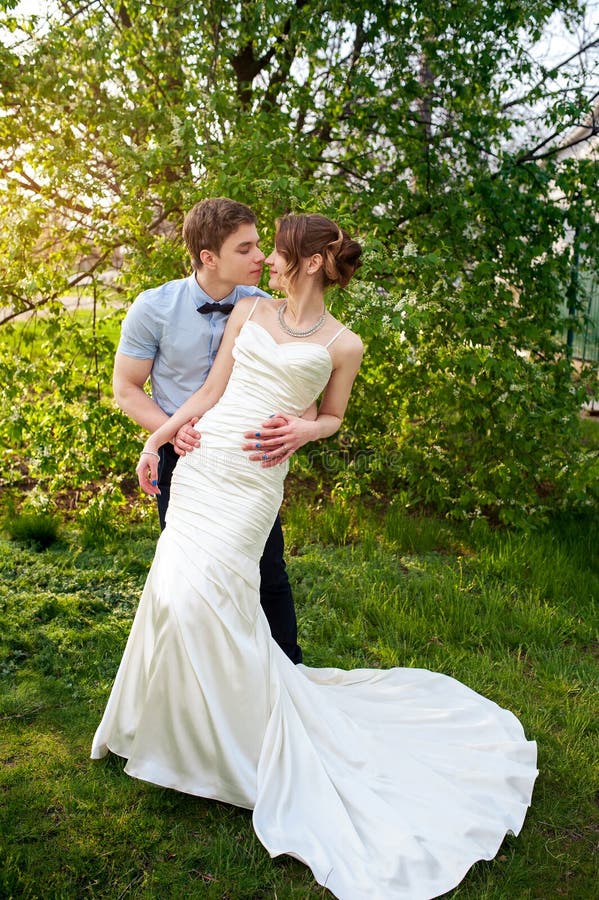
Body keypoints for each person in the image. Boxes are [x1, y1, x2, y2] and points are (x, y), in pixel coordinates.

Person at [92, 214, 537, 900]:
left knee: (219, 600)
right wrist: (157, 443)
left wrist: (305, 429)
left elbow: (332, 416)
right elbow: (209, 394)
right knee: (178, 595)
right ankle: (172, 731)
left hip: (252, 482)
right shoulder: (250, 311)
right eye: (256, 249)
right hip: (207, 465)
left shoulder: (343, 343)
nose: (265, 259)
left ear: (304, 263)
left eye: (273, 251)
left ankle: (239, 744)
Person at [112, 197, 302, 663]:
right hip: (183, 455)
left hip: (245, 457)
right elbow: (127, 388)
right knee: (185, 573)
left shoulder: (266, 309)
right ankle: (186, 679)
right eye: (246, 248)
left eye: (259, 244)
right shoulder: (153, 308)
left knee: (267, 568)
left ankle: (288, 675)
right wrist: (169, 432)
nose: (261, 256)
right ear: (208, 257)